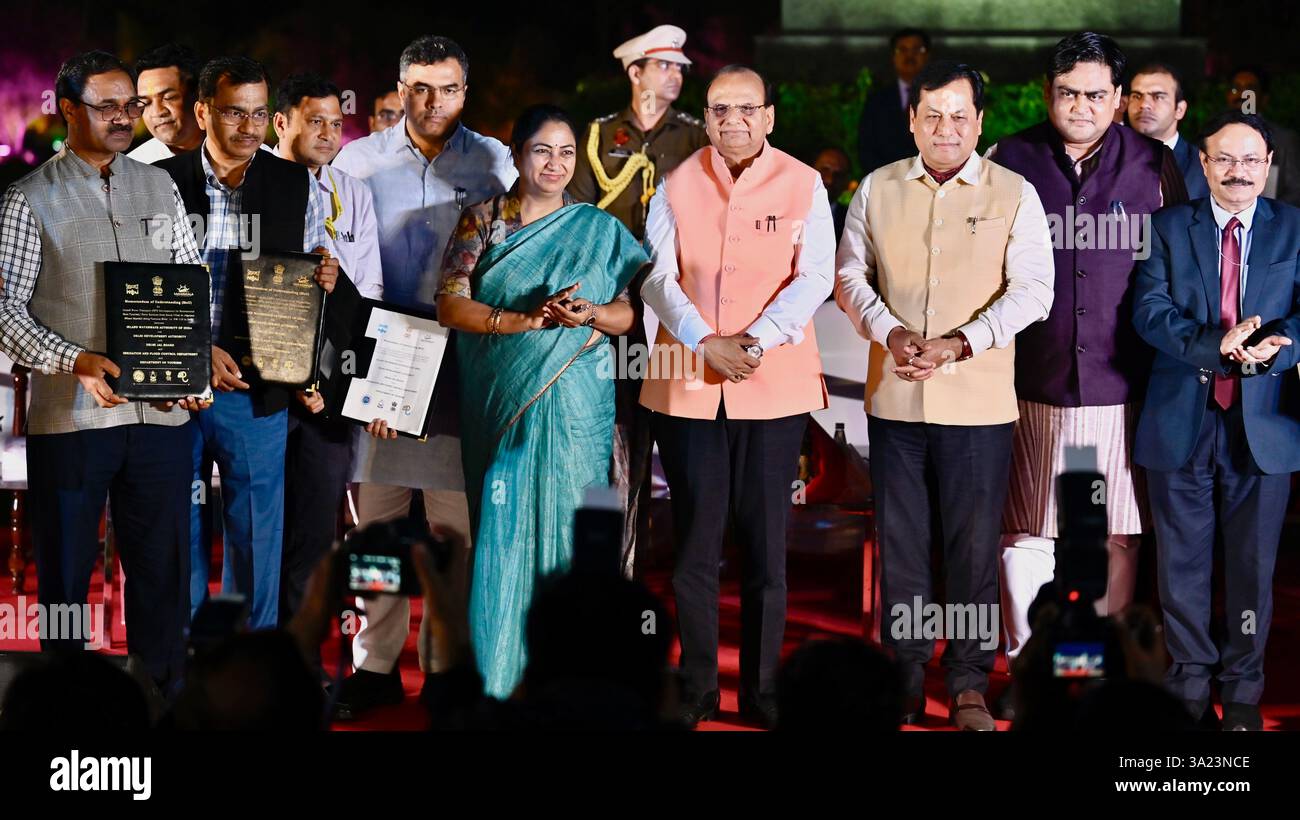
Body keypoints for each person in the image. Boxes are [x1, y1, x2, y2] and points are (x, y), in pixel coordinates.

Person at [836, 60, 1054, 730]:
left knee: (970, 547)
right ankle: (901, 675)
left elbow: (1034, 292)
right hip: (896, 401)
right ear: (912, 119)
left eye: (960, 115)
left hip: (978, 402)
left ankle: (966, 681)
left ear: (980, 122)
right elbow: (849, 276)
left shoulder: (1014, 192)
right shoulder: (876, 188)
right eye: (931, 114)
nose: (945, 127)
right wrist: (891, 332)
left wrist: (962, 342)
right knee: (901, 545)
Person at [0, 51, 206, 686]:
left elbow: (188, 280)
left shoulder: (159, 185)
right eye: (109, 107)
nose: (125, 119)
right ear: (68, 110)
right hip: (72, 415)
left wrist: (195, 363)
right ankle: (62, 699)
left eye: (132, 106)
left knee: (162, 568)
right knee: (64, 572)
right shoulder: (28, 199)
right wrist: (74, 359)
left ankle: (161, 692)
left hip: (161, 416)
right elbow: (3, 308)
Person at [640, 65, 835, 729]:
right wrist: (703, 339)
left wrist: (753, 340)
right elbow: (657, 278)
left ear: (768, 116)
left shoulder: (805, 184)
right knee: (695, 544)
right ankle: (697, 688)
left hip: (771, 385)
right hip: (689, 386)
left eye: (747, 108)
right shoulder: (675, 180)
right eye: (720, 109)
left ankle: (762, 690)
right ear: (707, 115)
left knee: (766, 546)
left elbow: (815, 278)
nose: (733, 121)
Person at [988, 33, 1188, 677]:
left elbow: (1183, 269)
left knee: (1111, 535)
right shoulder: (1007, 158)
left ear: (1119, 99)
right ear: (1047, 93)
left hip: (1120, 380)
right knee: (1025, 533)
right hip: (1027, 378)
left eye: (1096, 94)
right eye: (1067, 92)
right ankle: (1027, 670)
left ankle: (1091, 673)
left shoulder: (1154, 165)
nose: (1080, 105)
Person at [330, 34, 515, 717]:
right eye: (419, 87)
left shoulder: (496, 161)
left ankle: (445, 665)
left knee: (454, 532)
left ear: (468, 91)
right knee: (374, 526)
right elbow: (337, 261)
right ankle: (374, 666)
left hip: (463, 362)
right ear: (399, 88)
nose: (433, 101)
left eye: (449, 88)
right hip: (382, 356)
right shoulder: (357, 159)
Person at [436, 105, 648, 697]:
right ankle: (501, 678)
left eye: (565, 154)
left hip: (581, 401)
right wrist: (522, 321)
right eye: (541, 151)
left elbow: (627, 315)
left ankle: (578, 680)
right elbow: (451, 304)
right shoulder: (483, 222)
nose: (555, 164)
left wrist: (591, 314)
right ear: (516, 154)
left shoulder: (597, 228)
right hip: (502, 396)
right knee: (504, 528)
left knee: (577, 528)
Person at [156, 56, 338, 631]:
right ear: (203, 110)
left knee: (257, 531)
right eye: (236, 112)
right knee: (175, 530)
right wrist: (194, 349)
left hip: (257, 389)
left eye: (260, 113)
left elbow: (308, 272)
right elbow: (141, 281)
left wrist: (322, 276)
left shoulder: (292, 182)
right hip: (174, 384)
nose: (250, 126)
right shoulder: (160, 181)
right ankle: (179, 668)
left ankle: (252, 662)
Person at [1133, 111, 1300, 731]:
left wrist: (1283, 344)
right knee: (1180, 567)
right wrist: (1215, 345)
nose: (1238, 172)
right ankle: (1188, 688)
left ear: (1267, 168)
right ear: (1202, 165)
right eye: (1224, 160)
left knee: (1254, 569)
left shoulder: (1293, 229)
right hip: (1183, 415)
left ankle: (1244, 693)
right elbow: (1149, 311)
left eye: (1251, 161)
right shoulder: (1169, 227)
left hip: (1266, 424)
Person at [568, 23, 709, 573]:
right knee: (610, 441)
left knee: (677, 444)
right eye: (665, 66)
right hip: (608, 307)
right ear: (635, 72)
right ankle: (609, 570)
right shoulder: (597, 137)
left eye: (680, 68)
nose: (675, 75)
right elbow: (575, 217)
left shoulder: (696, 137)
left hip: (675, 309)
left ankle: (671, 571)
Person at [271, 73, 383, 627]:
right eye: (314, 121)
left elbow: (370, 293)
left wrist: (338, 386)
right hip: (263, 387)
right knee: (260, 532)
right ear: (281, 122)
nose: (328, 133)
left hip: (330, 391)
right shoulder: (250, 184)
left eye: (337, 123)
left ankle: (304, 666)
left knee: (317, 533)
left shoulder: (352, 192)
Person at [1127, 62, 1209, 198]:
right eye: (1137, 96)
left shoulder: (1203, 167)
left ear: (1180, 110)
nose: (1144, 105)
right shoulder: (1107, 159)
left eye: (1158, 97)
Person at [856, 28, 930, 176]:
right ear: (893, 57)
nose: (910, 55)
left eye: (917, 49)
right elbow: (866, 149)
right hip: (885, 185)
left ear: (927, 55)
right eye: (902, 50)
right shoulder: (876, 101)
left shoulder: (942, 98)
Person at [1227, 66, 1300, 207]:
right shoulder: (1212, 138)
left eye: (1249, 90)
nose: (1242, 95)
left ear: (1264, 98)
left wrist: (1265, 214)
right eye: (1235, 89)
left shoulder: (1284, 140)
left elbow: (1296, 190)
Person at [129, 43, 204, 163]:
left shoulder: (238, 151)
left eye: (168, 97)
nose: (157, 112)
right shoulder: (133, 170)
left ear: (199, 95)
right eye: (146, 103)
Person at [813, 145, 852, 242]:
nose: (830, 180)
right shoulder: (789, 210)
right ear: (810, 169)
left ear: (846, 182)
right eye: (825, 170)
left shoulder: (851, 222)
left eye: (838, 175)